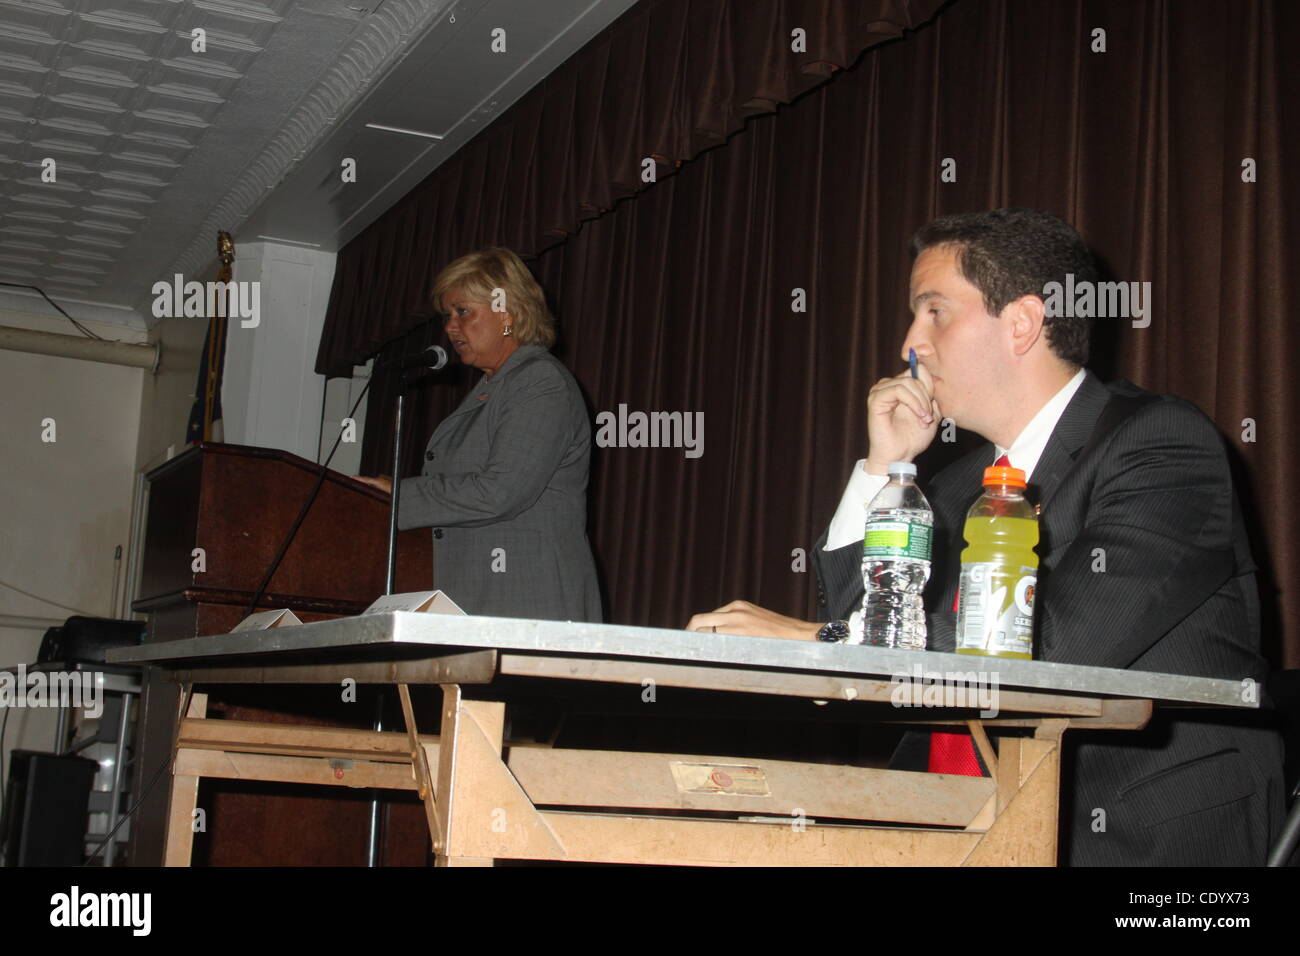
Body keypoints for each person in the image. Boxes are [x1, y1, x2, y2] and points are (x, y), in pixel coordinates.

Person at [687, 208, 1284, 865]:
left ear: (1022, 323)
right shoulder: (950, 487)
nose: (910, 344)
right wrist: (886, 468)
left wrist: (814, 639)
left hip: (1136, 836)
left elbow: (1061, 646)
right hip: (958, 824)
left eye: (934, 310)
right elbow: (866, 624)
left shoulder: (1160, 445)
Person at [357, 248, 602, 622]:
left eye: (462, 311)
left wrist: (399, 495)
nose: (450, 327)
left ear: (507, 313)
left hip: (528, 602)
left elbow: (500, 492)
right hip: (478, 598)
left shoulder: (540, 382)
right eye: (447, 315)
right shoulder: (496, 387)